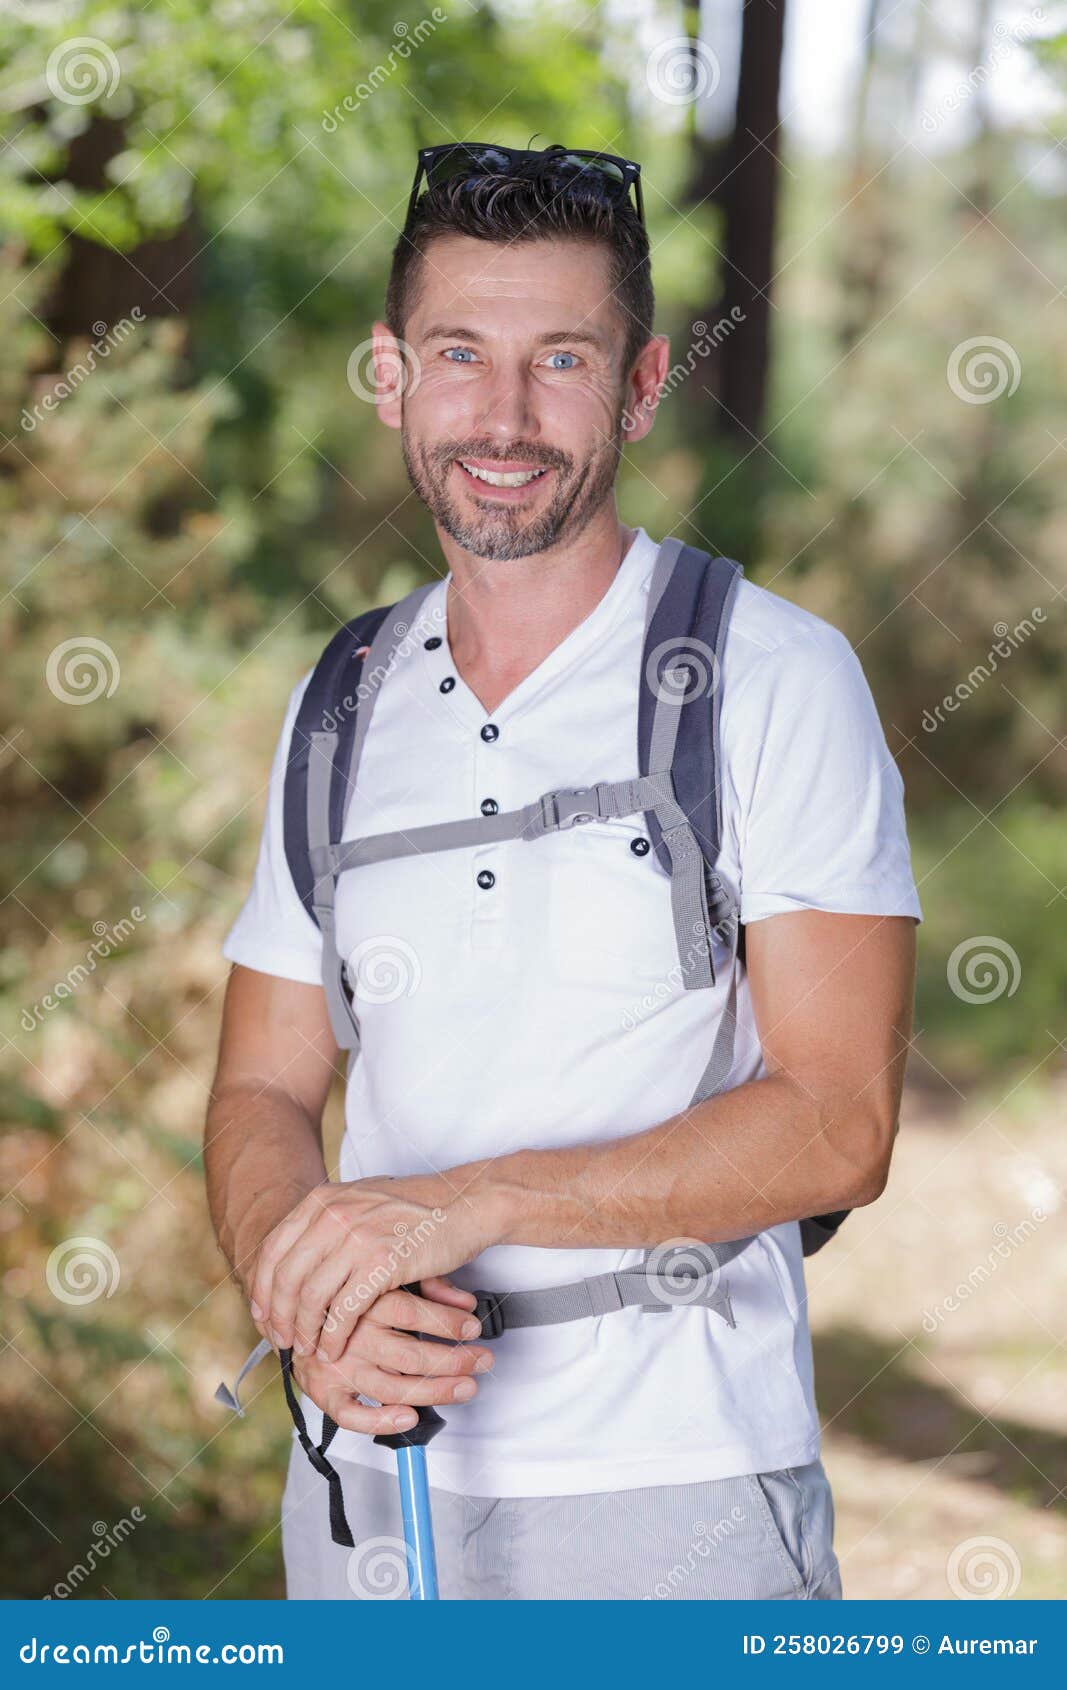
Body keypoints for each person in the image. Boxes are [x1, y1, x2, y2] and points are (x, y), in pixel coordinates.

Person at [205, 143, 920, 1601]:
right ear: (392, 377)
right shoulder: (340, 698)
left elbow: (841, 1123)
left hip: (678, 1502)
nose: (506, 417)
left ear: (643, 383)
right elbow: (261, 1086)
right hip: (366, 1500)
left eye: (564, 360)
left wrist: (456, 1204)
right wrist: (302, 1272)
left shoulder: (772, 677)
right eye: (459, 354)